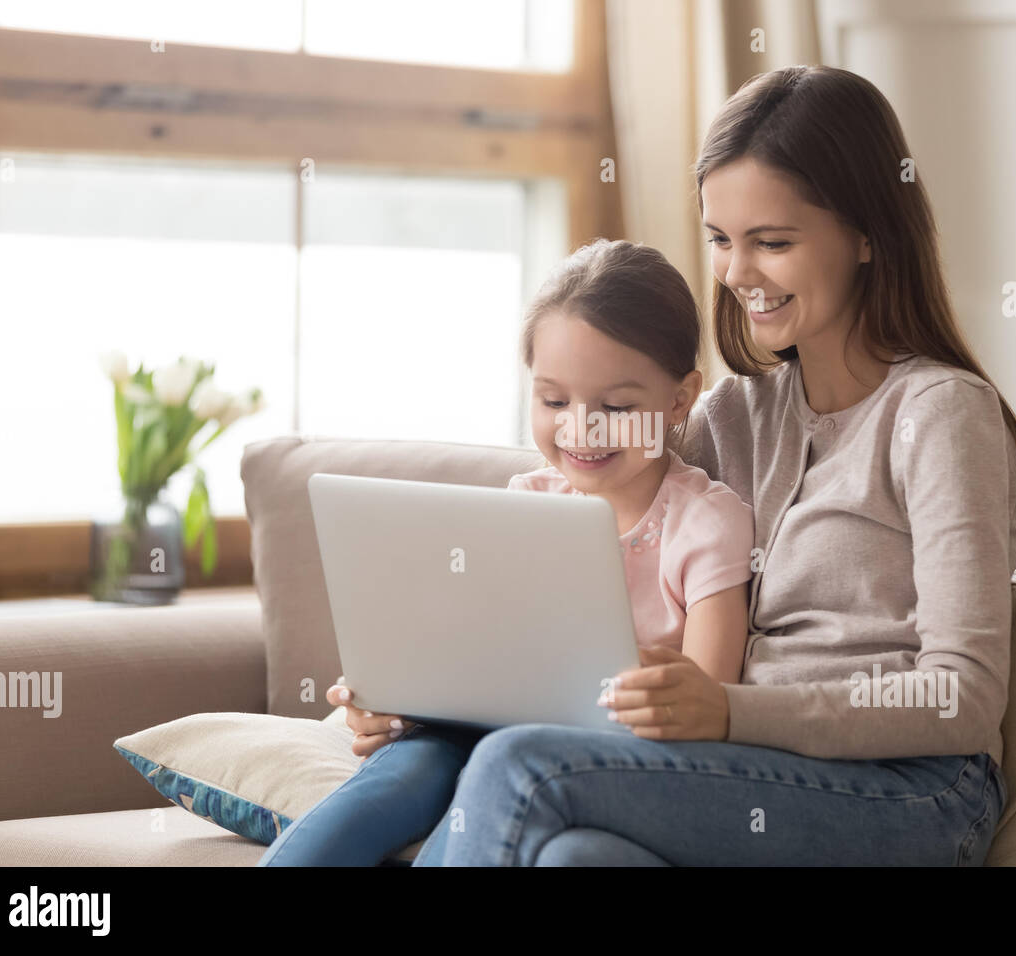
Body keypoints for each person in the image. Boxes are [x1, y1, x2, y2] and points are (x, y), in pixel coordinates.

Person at [355, 65, 1016, 866]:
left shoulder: (940, 414)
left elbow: (962, 694)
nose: (738, 274)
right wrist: (420, 700)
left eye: (772, 242)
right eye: (720, 240)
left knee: (518, 768)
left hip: (913, 792)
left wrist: (732, 712)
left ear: (866, 235)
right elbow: (595, 532)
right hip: (743, 774)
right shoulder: (731, 416)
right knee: (575, 858)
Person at [258, 239, 755, 866]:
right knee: (397, 779)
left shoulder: (705, 523)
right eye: (553, 401)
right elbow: (465, 647)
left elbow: (711, 702)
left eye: (616, 406)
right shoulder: (527, 500)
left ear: (680, 400)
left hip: (585, 762)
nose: (580, 427)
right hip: (471, 730)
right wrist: (395, 696)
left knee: (478, 795)